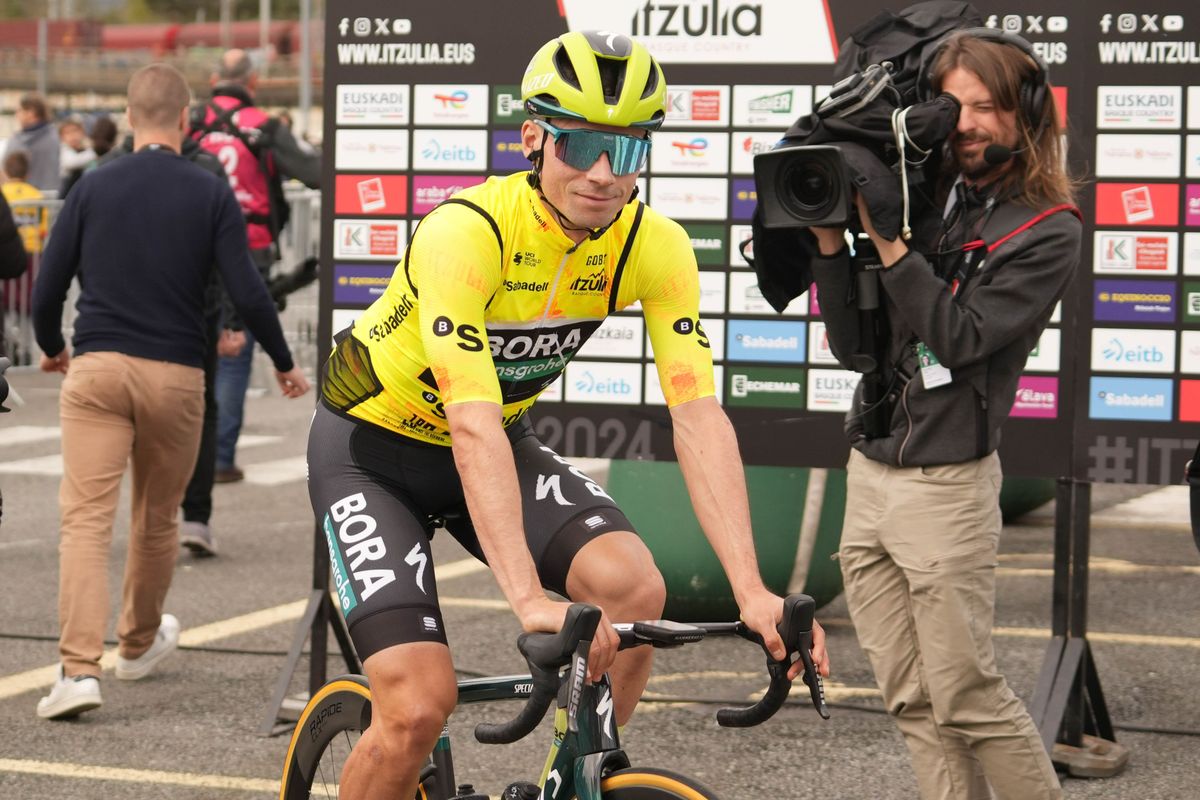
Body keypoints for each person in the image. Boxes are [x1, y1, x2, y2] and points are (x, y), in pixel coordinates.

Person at [306, 31, 830, 800]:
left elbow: (698, 415)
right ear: (532, 138)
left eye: (625, 150)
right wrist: (527, 598)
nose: (600, 172)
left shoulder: (653, 246)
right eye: (579, 142)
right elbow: (471, 423)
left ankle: (576, 775)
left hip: (494, 443)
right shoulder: (466, 231)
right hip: (373, 449)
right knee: (417, 709)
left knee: (633, 588)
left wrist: (753, 590)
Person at [808, 29, 1080, 800]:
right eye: (949, 105)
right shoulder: (926, 199)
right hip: (873, 474)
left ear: (1027, 116)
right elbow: (854, 347)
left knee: (967, 695)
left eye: (985, 107)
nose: (963, 124)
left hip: (946, 490)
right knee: (912, 699)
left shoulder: (1047, 227)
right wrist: (833, 244)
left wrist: (893, 247)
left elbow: (959, 339)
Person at [30, 63, 310, 721]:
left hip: (97, 367)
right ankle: (135, 645)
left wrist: (51, 348)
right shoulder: (208, 190)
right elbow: (245, 288)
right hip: (177, 374)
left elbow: (47, 289)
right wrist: (284, 360)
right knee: (158, 517)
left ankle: (76, 672)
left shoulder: (92, 187)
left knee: (85, 521)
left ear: (130, 117)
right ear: (186, 122)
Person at [190, 48, 321, 486]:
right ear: (254, 83)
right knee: (234, 353)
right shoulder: (265, 125)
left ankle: (189, 457)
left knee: (191, 348)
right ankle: (221, 460)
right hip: (251, 248)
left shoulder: (191, 119)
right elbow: (315, 173)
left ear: (213, 79)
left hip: (193, 246)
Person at [2, 94, 60, 192]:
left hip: (22, 200)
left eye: (19, 111)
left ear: (31, 112)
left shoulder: (54, 139)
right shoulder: (55, 137)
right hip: (47, 200)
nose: (16, 115)